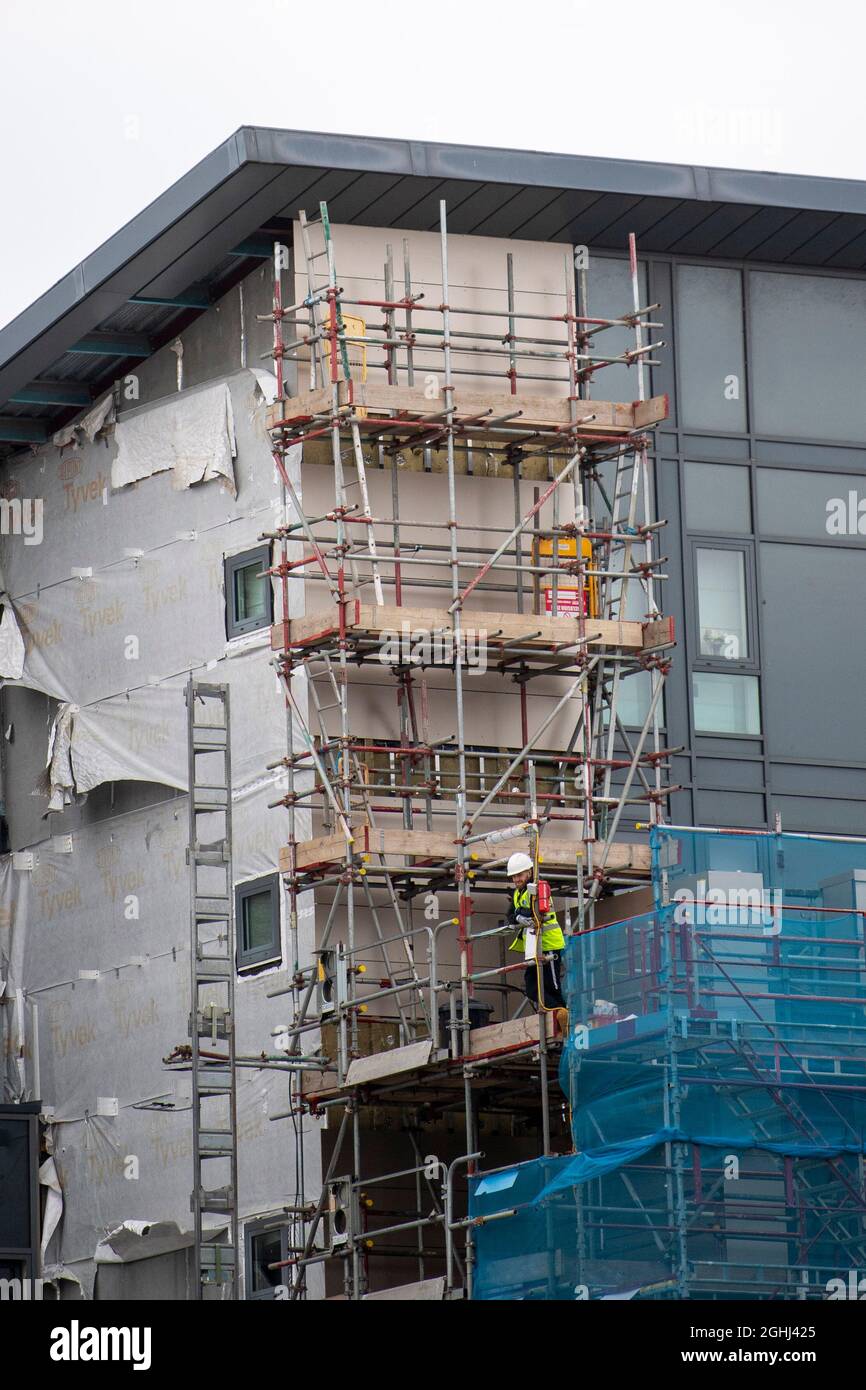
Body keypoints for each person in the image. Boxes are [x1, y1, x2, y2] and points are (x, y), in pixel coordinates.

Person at [502, 851, 566, 1011]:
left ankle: (562, 1015)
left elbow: (532, 910)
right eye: (514, 876)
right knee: (531, 987)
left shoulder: (539, 888)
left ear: (529, 872)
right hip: (534, 947)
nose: (516, 879)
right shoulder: (518, 893)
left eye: (520, 875)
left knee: (552, 986)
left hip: (549, 944)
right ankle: (558, 1013)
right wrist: (517, 916)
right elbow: (510, 914)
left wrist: (518, 915)